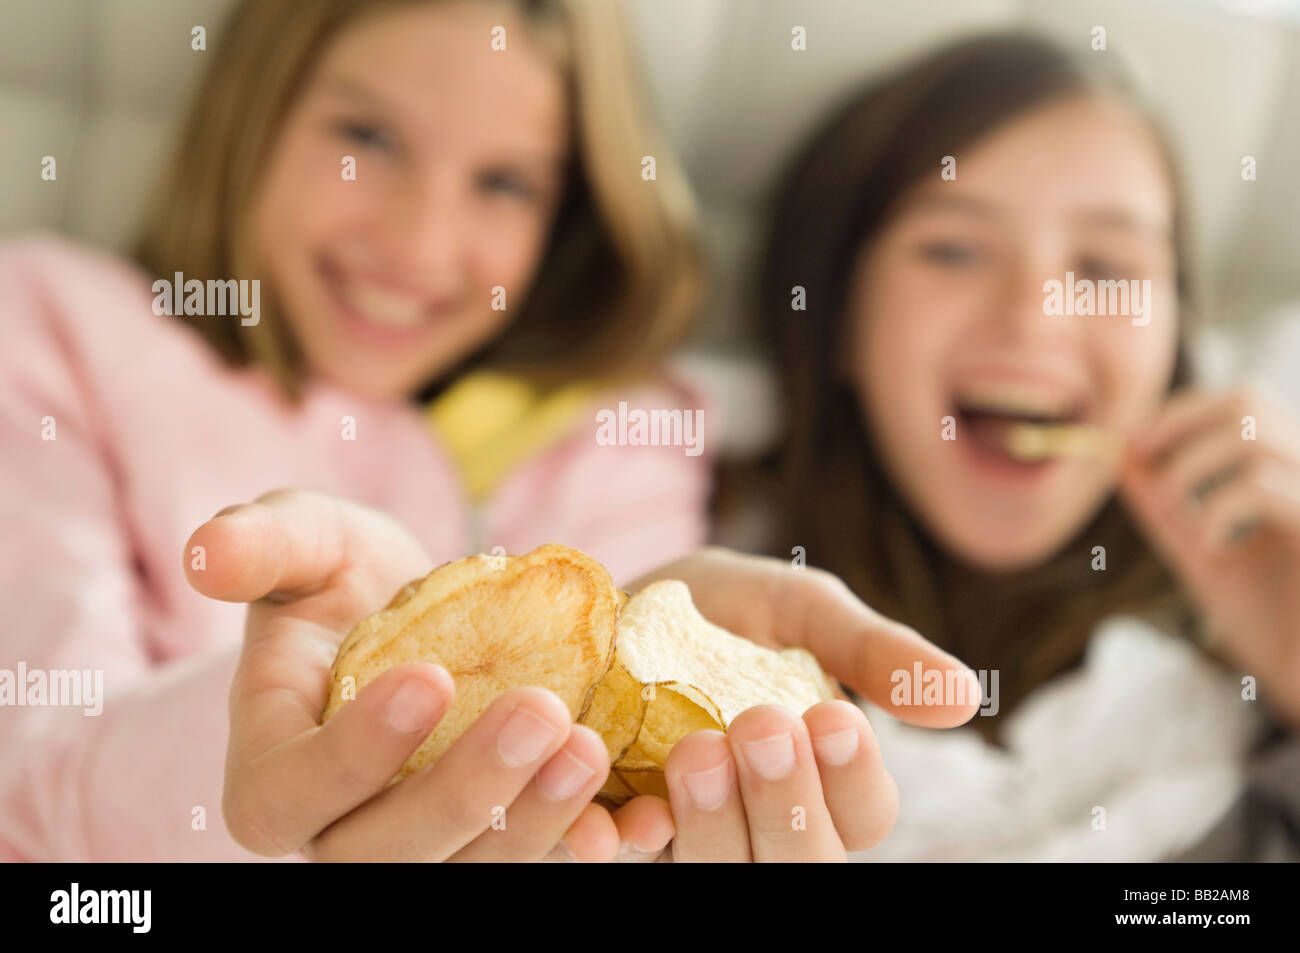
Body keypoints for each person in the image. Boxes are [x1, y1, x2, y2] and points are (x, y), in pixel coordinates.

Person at [0, 0, 977, 862]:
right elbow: (28, 765)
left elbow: (610, 779)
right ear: (251, 111)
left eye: (505, 183)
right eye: (366, 139)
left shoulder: (618, 426)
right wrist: (316, 720)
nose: (419, 241)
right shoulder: (53, 325)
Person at [756, 32, 1300, 860]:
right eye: (955, 249)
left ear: (1174, 347)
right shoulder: (690, 581)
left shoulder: (1240, 684)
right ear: (838, 323)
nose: (1036, 314)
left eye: (1106, 265)